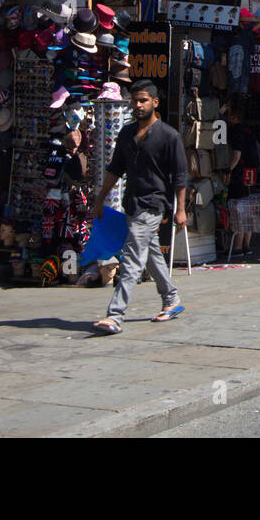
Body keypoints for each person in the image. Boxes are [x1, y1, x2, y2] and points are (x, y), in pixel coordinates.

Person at [90, 81, 187, 334]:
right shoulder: (126, 134)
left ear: (155, 102)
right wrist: (99, 200)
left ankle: (115, 315)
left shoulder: (169, 136)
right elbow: (114, 170)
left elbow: (180, 177)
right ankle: (171, 299)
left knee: (132, 258)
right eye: (134, 100)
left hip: (153, 204)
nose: (138, 105)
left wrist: (181, 210)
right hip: (132, 203)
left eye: (143, 100)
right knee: (151, 253)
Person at [223, 103, 260, 257]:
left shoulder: (237, 131)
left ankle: (237, 247)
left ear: (234, 117)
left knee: (237, 209)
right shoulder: (248, 130)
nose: (226, 119)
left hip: (239, 175)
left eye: (228, 116)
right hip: (250, 174)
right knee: (248, 208)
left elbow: (237, 154)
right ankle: (246, 245)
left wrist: (228, 170)